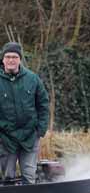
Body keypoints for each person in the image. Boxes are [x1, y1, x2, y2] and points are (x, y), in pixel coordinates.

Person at [0, 43, 50, 184]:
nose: (11, 60)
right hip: (5, 139)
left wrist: (40, 130)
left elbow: (43, 104)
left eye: (14, 57)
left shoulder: (32, 79)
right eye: (8, 57)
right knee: (7, 178)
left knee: (29, 176)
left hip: (30, 136)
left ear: (20, 59)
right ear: (3, 59)